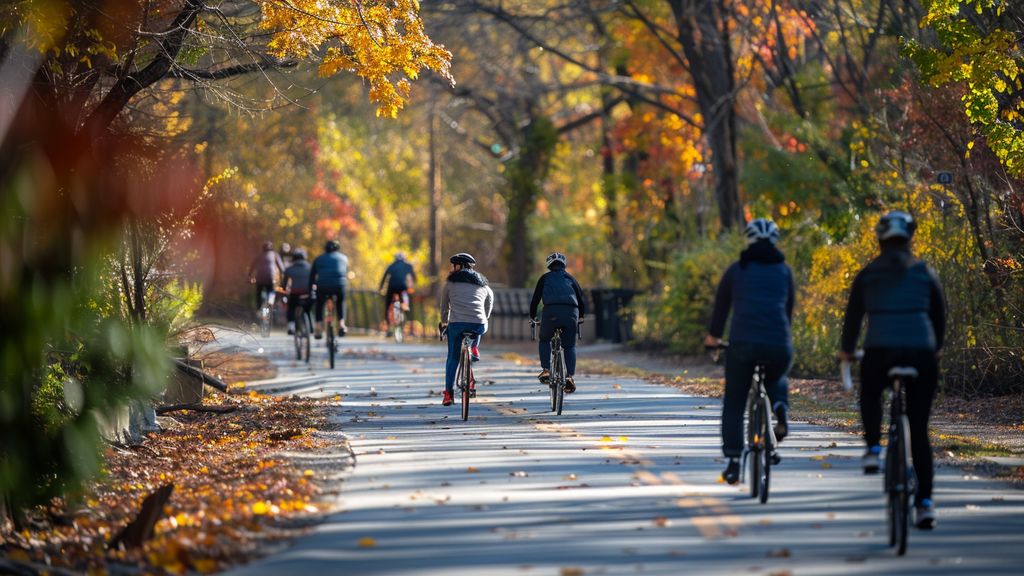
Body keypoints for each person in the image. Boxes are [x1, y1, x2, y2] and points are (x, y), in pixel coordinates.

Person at [839, 210, 946, 530]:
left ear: (880, 238)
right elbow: (940, 315)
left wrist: (846, 350)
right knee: (919, 430)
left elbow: (853, 319)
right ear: (910, 237)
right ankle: (925, 503)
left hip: (880, 351)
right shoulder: (926, 272)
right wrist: (935, 347)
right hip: (921, 354)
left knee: (870, 393)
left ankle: (873, 448)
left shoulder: (868, 273)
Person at [704, 218, 795, 486]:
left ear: (750, 241)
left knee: (734, 401)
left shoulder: (736, 270)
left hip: (742, 344)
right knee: (777, 378)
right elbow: (788, 311)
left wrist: (713, 339)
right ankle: (779, 407)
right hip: (778, 343)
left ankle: (733, 461)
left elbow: (721, 310)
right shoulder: (784, 271)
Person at [439, 253, 494, 407]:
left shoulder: (450, 283)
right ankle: (474, 347)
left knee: (453, 357)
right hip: (478, 324)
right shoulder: (483, 282)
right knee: (481, 326)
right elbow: (490, 299)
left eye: (454, 265)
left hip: (456, 325)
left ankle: (448, 394)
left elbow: (444, 307)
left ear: (460, 266)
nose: (452, 268)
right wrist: (485, 315)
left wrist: (444, 323)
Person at [530, 252, 586, 393]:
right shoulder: (571, 278)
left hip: (551, 313)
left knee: (544, 339)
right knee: (570, 345)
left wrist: (532, 316)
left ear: (549, 265)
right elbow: (581, 299)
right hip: (571, 313)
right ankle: (569, 377)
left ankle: (547, 370)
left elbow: (535, 300)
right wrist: (581, 316)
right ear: (563, 264)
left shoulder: (545, 278)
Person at [311, 239, 349, 338]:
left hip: (323, 286)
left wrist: (311, 289)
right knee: (341, 302)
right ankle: (341, 324)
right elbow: (344, 273)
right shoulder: (344, 258)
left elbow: (312, 277)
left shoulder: (318, 259)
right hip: (339, 285)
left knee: (319, 304)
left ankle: (318, 327)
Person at [379, 252, 417, 329]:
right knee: (405, 301)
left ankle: (388, 325)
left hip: (392, 287)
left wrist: (380, 288)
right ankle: (407, 314)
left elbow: (384, 278)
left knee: (388, 304)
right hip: (403, 287)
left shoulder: (391, 266)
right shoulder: (408, 266)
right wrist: (413, 286)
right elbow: (414, 278)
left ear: (395, 259)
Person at [282, 248, 312, 335]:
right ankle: (311, 325)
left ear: (294, 258)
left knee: (291, 308)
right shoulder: (310, 267)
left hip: (295, 293)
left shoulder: (289, 269)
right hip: (307, 294)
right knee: (308, 308)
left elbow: (284, 284)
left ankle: (291, 326)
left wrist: (284, 291)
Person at [248, 241, 285, 311]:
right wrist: (282, 277)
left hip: (259, 278)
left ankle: (258, 310)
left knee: (258, 293)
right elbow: (282, 268)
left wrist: (249, 275)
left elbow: (252, 266)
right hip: (270, 278)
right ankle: (270, 302)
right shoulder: (274, 255)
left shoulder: (259, 255)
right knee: (271, 291)